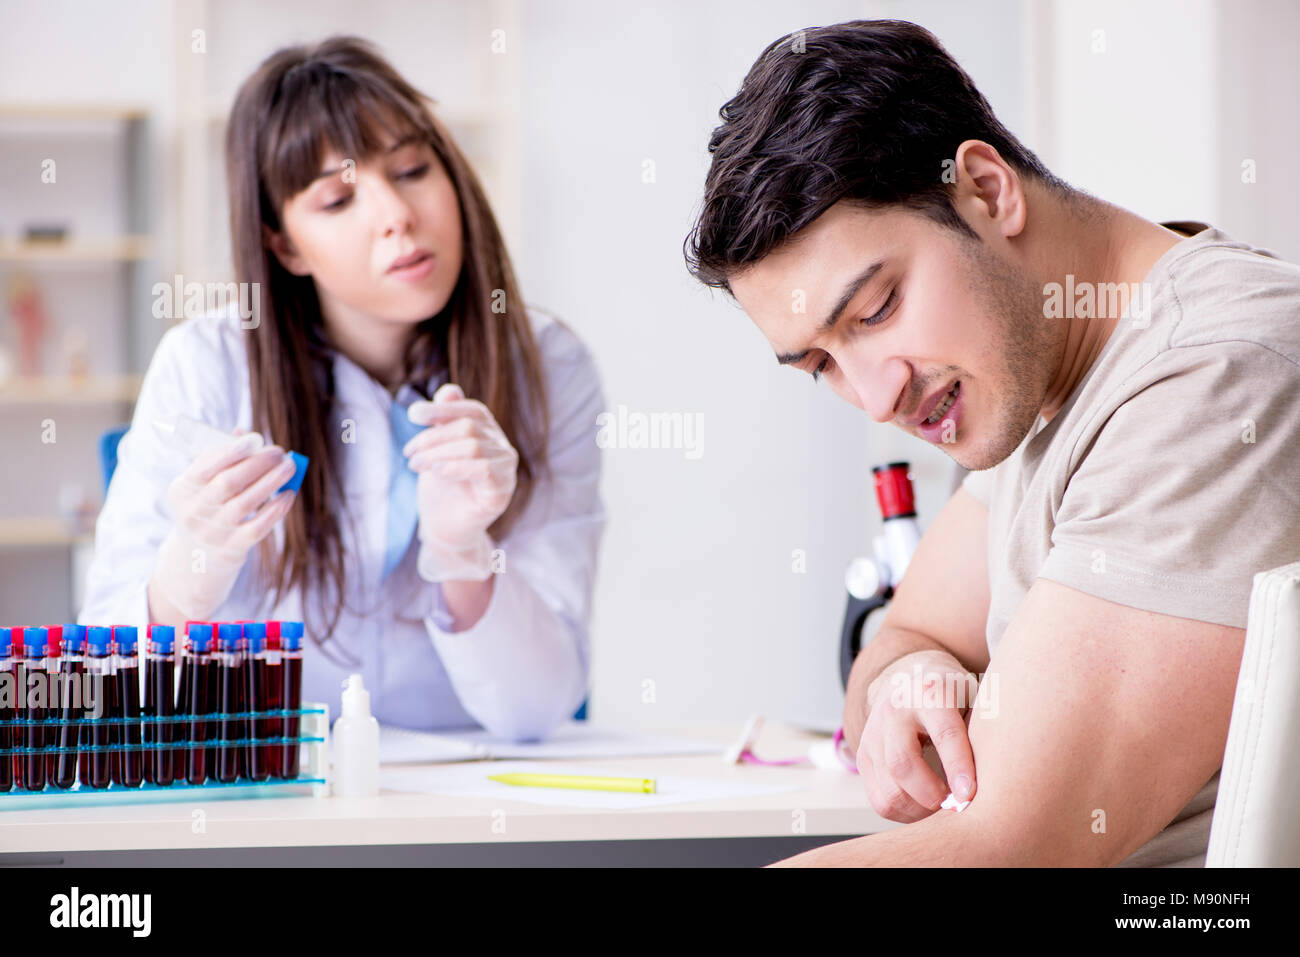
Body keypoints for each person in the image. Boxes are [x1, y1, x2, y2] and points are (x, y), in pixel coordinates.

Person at [685, 20, 1300, 866]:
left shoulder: (1215, 374)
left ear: (985, 187)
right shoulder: (1030, 375)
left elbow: (1008, 845)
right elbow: (905, 632)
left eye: (874, 310)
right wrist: (908, 676)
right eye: (821, 361)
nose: (876, 396)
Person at [80, 36, 606, 740]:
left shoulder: (547, 366)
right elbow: (104, 692)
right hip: (262, 800)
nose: (397, 214)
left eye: (414, 168)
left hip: (465, 803)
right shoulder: (205, 366)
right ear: (284, 245)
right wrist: (191, 565)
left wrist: (463, 549)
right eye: (337, 198)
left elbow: (538, 710)